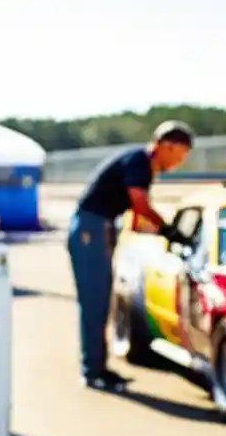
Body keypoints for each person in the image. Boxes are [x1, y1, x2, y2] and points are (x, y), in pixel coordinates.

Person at [67, 119, 194, 390]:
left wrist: (163, 236)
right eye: (179, 154)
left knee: (102, 301)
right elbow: (139, 204)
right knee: (94, 302)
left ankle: (98, 366)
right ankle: (93, 372)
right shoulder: (139, 162)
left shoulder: (143, 166)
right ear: (165, 145)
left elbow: (137, 220)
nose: (179, 162)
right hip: (92, 228)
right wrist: (168, 229)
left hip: (99, 228)